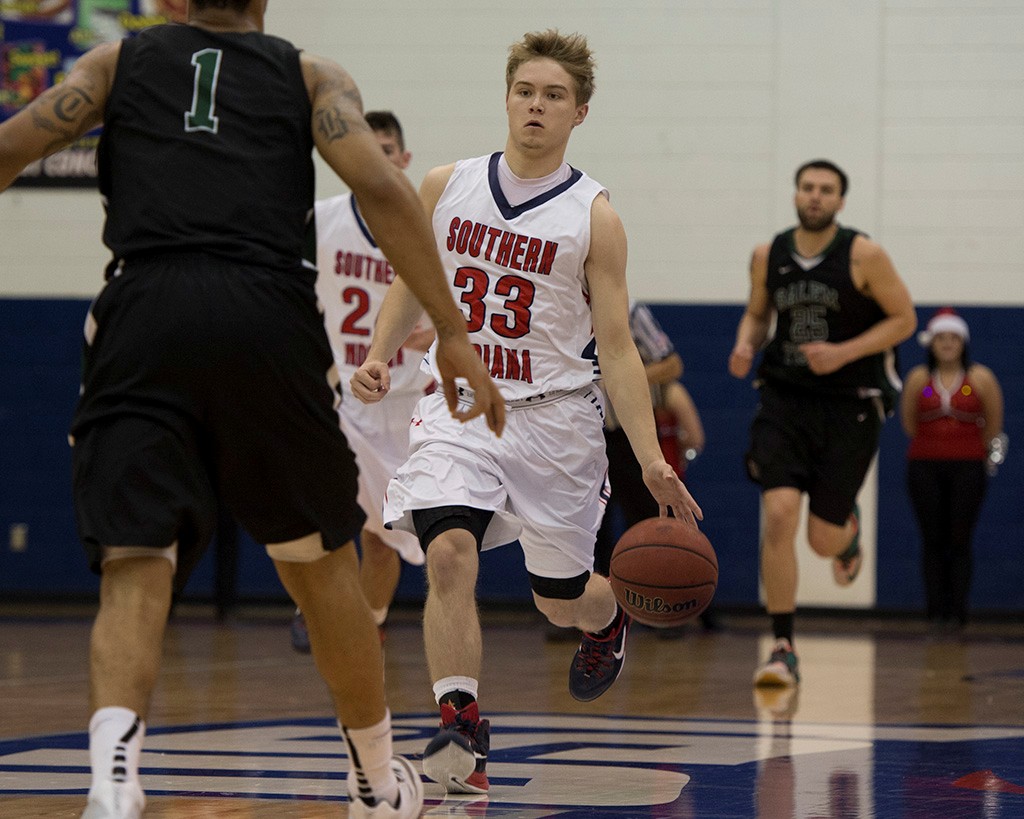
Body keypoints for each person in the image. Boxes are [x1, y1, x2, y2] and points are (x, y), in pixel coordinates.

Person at [0, 3, 505, 818]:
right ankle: (377, 780)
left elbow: (14, 143)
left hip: (143, 306)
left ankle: (113, 782)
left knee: (136, 561)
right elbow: (380, 186)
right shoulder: (310, 75)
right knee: (319, 562)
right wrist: (451, 329)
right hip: (264, 312)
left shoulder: (117, 62)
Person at [351, 29, 702, 795]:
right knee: (447, 554)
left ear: (580, 111)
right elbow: (409, 277)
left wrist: (647, 456)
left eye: (553, 96)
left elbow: (617, 346)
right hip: (462, 405)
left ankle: (606, 617)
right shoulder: (446, 183)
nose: (535, 106)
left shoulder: (593, 215)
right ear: (506, 97)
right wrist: (381, 354)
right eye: (525, 92)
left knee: (558, 597)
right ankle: (461, 726)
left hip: (556, 420)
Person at [728, 159, 916, 690]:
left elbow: (905, 319)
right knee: (779, 511)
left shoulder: (864, 254)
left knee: (822, 542)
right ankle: (783, 646)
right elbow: (757, 313)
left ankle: (846, 535)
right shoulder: (769, 254)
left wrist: (843, 352)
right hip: (784, 398)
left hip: (850, 403)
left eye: (826, 190)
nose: (815, 196)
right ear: (795, 195)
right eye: (807, 187)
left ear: (840, 201)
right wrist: (746, 342)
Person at [290, 110, 435, 653]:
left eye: (387, 149)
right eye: (366, 149)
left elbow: (471, 308)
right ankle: (320, 610)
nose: (378, 158)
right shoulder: (319, 221)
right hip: (341, 397)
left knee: (385, 541)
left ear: (404, 159)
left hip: (407, 405)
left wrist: (441, 332)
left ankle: (365, 623)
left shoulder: (431, 226)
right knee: (327, 519)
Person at [901, 308, 1005, 631]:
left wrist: (970, 450)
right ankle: (935, 611)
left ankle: (958, 612)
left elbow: (994, 424)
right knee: (932, 538)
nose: (947, 344)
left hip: (968, 467)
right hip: (925, 466)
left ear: (963, 342)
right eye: (941, 338)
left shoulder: (981, 378)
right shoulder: (920, 379)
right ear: (931, 343)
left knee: (959, 538)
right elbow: (908, 423)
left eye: (953, 338)